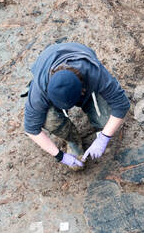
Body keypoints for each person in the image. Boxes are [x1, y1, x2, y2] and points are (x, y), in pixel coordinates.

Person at [23, 41, 130, 169]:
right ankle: (72, 139)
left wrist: (104, 137)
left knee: (106, 121)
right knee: (48, 118)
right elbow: (31, 129)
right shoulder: (40, 90)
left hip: (80, 65)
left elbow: (122, 104)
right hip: (46, 64)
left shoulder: (93, 71)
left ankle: (90, 105)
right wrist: (60, 156)